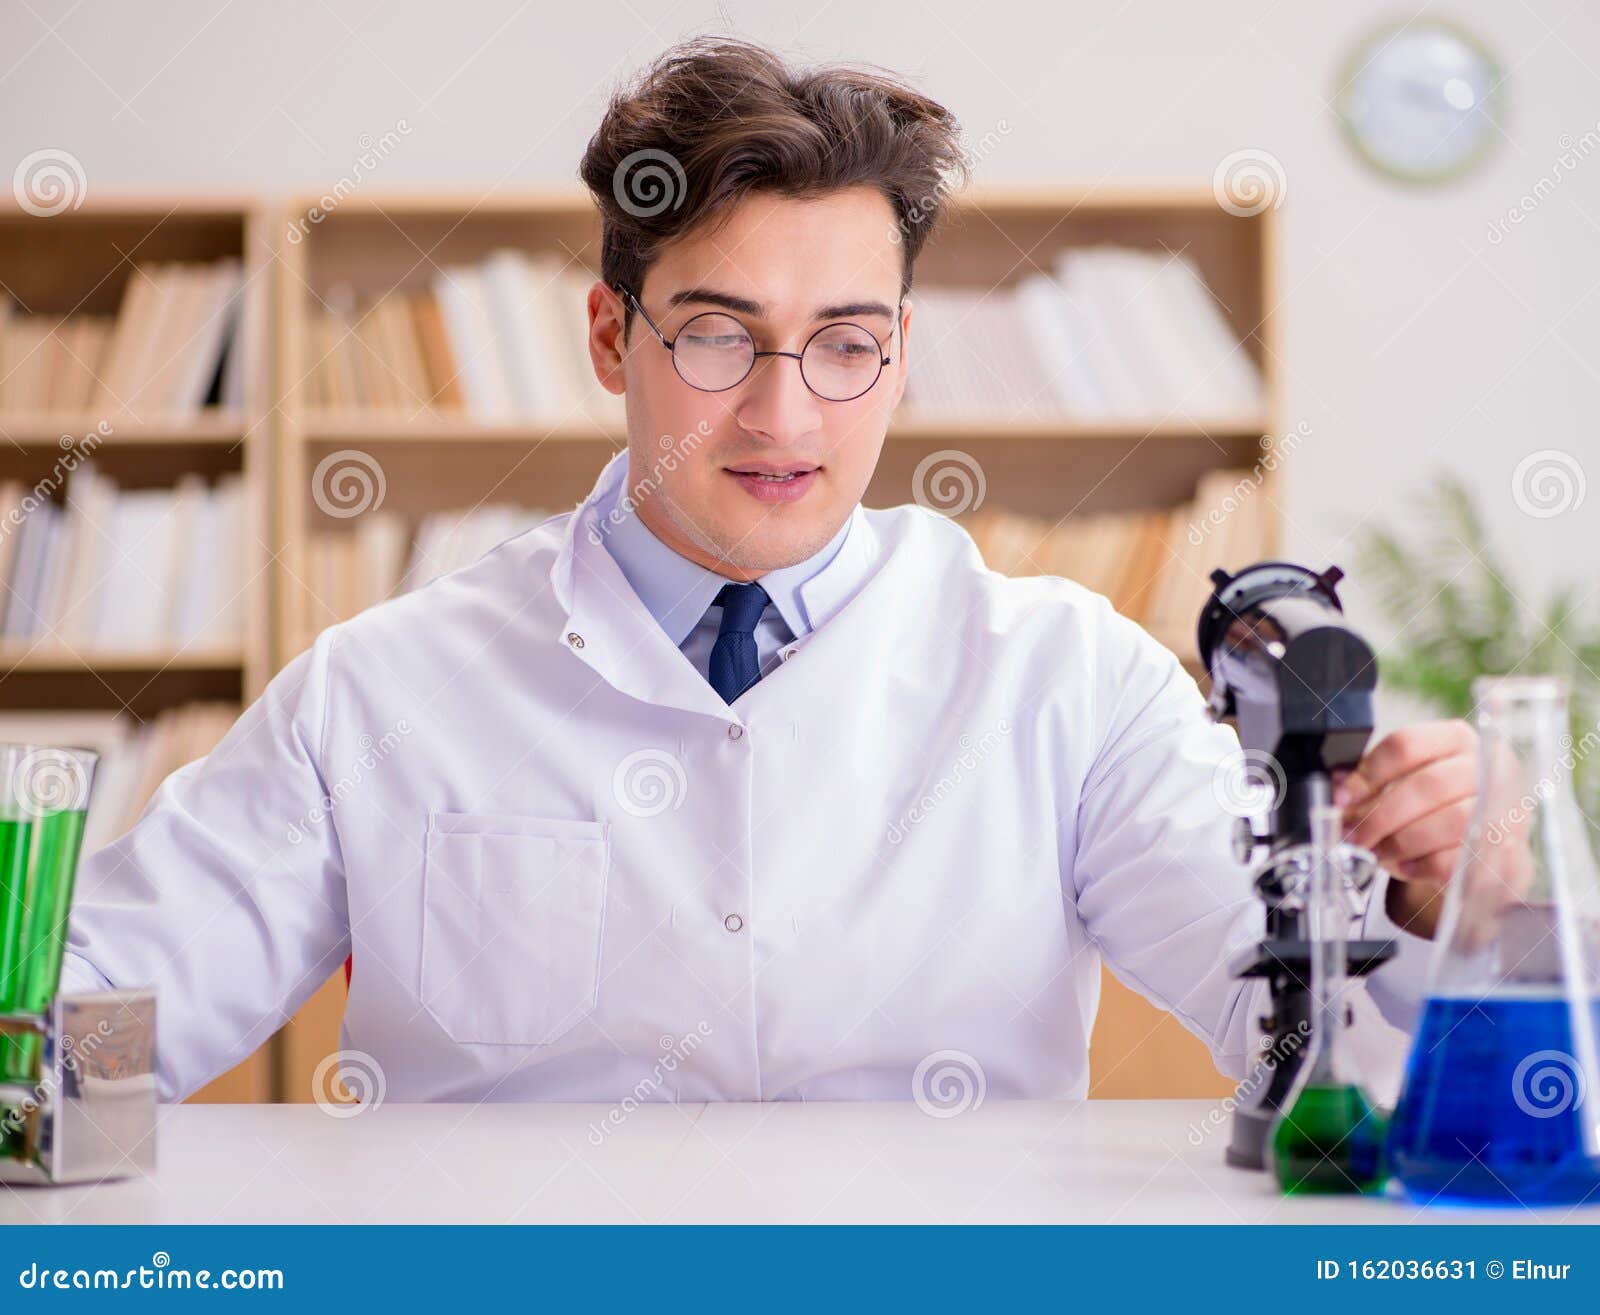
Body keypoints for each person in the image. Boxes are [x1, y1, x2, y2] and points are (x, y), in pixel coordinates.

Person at [63, 37, 1478, 1104]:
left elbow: (1320, 1059)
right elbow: (93, 1023)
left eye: (847, 342)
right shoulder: (380, 689)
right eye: (719, 336)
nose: (785, 417)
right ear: (614, 337)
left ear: (902, 355)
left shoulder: (1072, 680)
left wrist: (1438, 904)